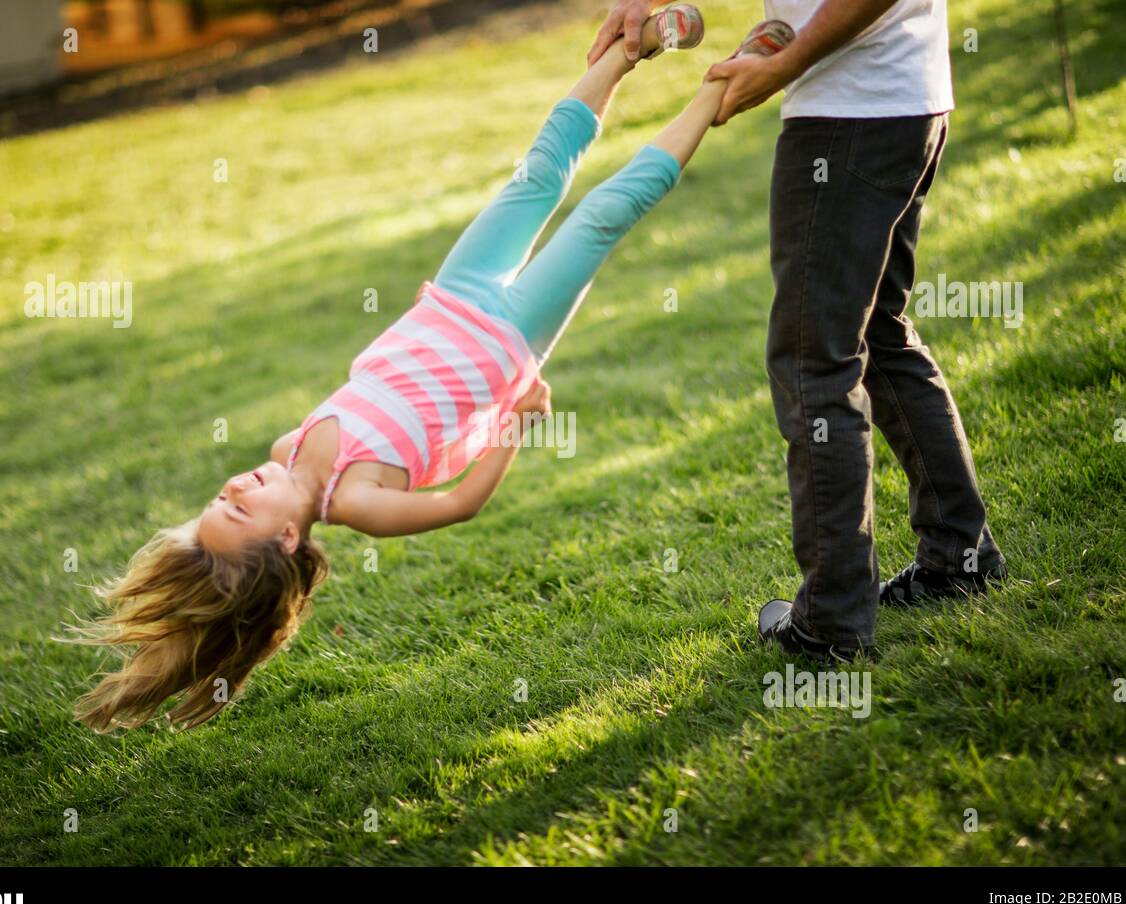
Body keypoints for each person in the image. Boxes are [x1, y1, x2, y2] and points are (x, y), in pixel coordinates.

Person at [72, 5, 770, 731]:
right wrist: (515, 424)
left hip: (450, 300)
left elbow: (382, 388)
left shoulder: (287, 448)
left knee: (536, 174)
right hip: (508, 340)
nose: (234, 485)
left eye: (219, 498)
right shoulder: (359, 502)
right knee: (603, 213)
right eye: (240, 508)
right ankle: (721, 88)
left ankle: (632, 48)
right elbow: (458, 504)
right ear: (286, 538)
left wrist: (413, 323)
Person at [591, 0, 1006, 663]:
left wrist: (787, 63)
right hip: (902, 100)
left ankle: (833, 627)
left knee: (815, 364)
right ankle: (959, 558)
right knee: (879, 336)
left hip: (850, 116)